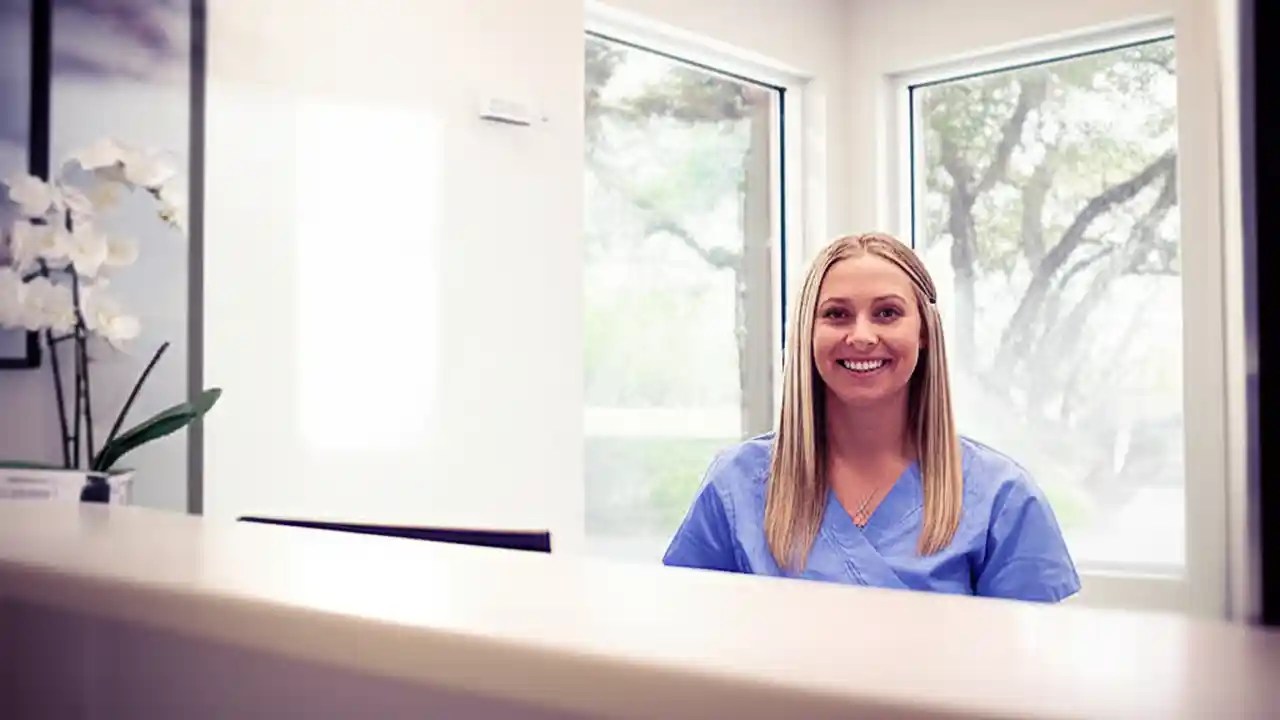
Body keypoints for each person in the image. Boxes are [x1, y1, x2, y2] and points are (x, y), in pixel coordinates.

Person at [663, 233, 1080, 603]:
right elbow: (685, 646)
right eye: (836, 315)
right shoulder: (737, 484)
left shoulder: (1000, 498)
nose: (861, 336)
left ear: (924, 333)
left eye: (886, 313)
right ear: (808, 333)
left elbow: (1033, 671)